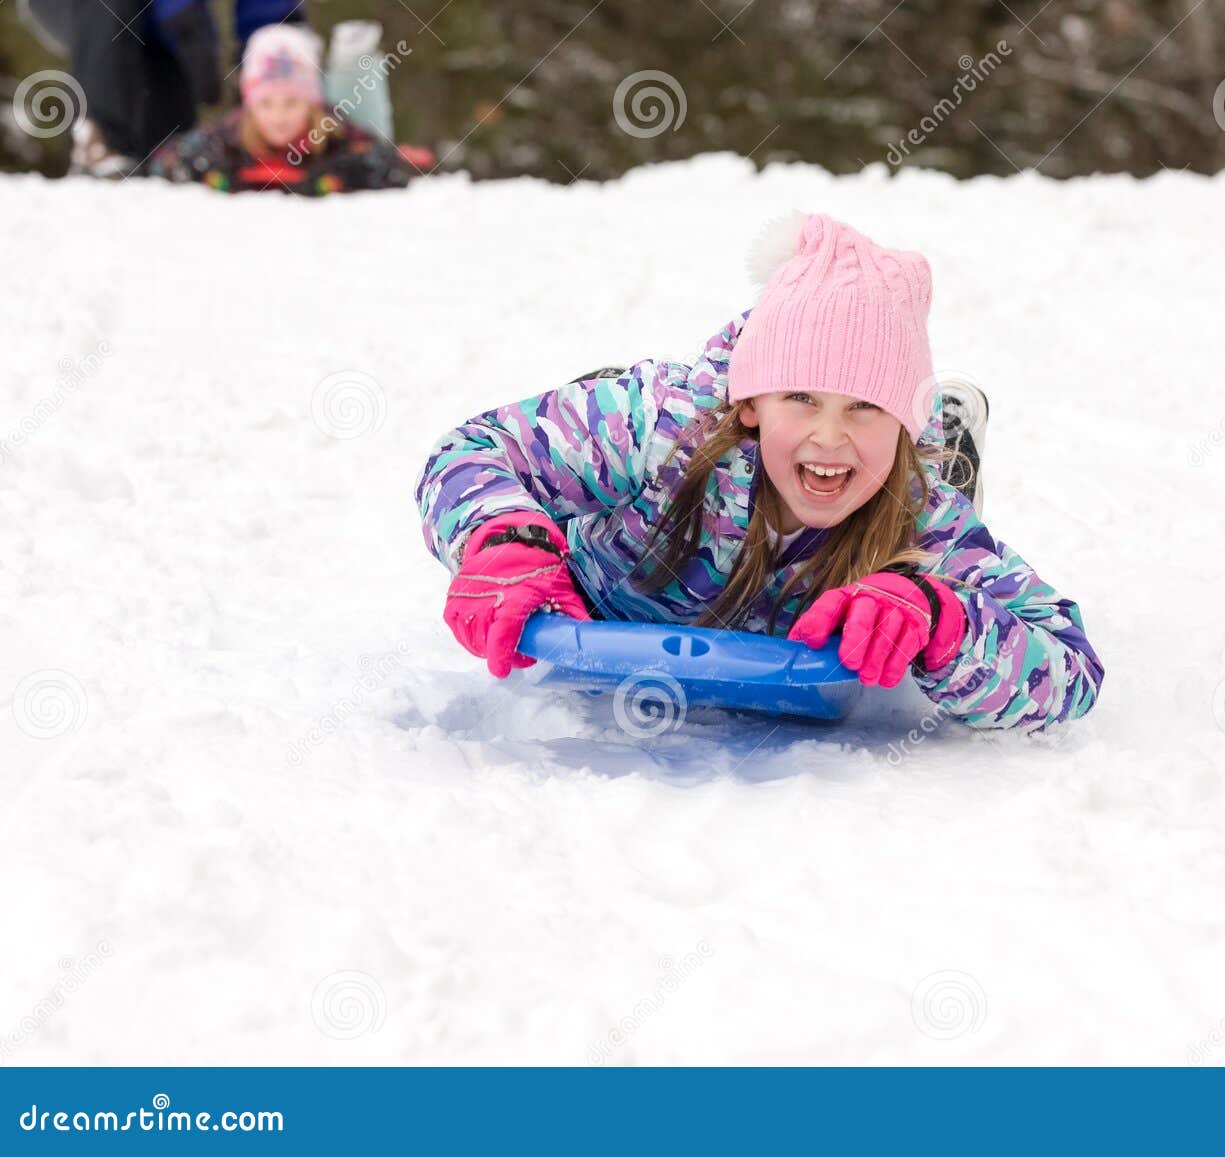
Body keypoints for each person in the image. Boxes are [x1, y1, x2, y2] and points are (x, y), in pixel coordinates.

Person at [413, 213, 1104, 733]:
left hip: (902, 479)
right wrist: (504, 539)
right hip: (629, 532)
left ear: (901, 420)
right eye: (800, 397)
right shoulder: (658, 422)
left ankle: (944, 439)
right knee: (592, 444)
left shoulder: (921, 517)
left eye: (867, 407)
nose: (829, 435)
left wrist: (940, 617)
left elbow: (1069, 667)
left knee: (921, 492)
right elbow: (473, 451)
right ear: (751, 402)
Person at [19, 0, 304, 175]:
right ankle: (102, 142)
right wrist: (185, 18)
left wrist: (275, 56)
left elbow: (267, 9)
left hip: (155, 18)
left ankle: (158, 158)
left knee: (167, 154)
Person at [145, 24, 413, 194]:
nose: (278, 116)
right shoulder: (229, 135)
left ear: (312, 104)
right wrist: (212, 167)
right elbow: (163, 161)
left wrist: (339, 173)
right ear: (250, 106)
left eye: (291, 103)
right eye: (266, 103)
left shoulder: (336, 131)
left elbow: (389, 164)